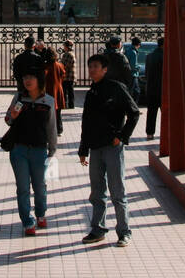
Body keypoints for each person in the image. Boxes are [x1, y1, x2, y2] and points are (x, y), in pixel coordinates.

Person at [78, 53, 140, 247]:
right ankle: (98, 229)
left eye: (96, 66)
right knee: (97, 192)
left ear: (105, 69)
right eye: (90, 66)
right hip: (95, 148)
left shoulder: (116, 88)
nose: (92, 70)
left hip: (112, 147)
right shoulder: (91, 92)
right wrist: (83, 148)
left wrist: (121, 136)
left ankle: (124, 231)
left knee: (117, 191)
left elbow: (134, 112)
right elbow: (86, 122)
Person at [5, 69, 58, 236]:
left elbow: (52, 127)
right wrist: (12, 116)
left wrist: (53, 149)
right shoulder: (19, 98)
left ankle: (41, 213)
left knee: (40, 186)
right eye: (25, 77)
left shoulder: (48, 101)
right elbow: (8, 119)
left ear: (39, 80)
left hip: (39, 149)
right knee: (22, 187)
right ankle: (28, 222)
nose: (28, 81)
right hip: (19, 149)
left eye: (31, 77)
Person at [143, 38, 164, 140]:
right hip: (162, 89)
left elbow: (147, 73)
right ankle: (165, 132)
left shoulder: (149, 56)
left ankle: (149, 133)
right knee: (165, 113)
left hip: (151, 88)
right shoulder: (165, 56)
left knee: (151, 112)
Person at [59, 40, 76, 109]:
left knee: (65, 91)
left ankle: (65, 104)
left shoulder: (67, 54)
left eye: (64, 46)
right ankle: (71, 105)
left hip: (67, 76)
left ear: (66, 47)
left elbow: (64, 65)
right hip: (71, 75)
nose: (63, 47)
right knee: (70, 91)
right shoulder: (72, 53)